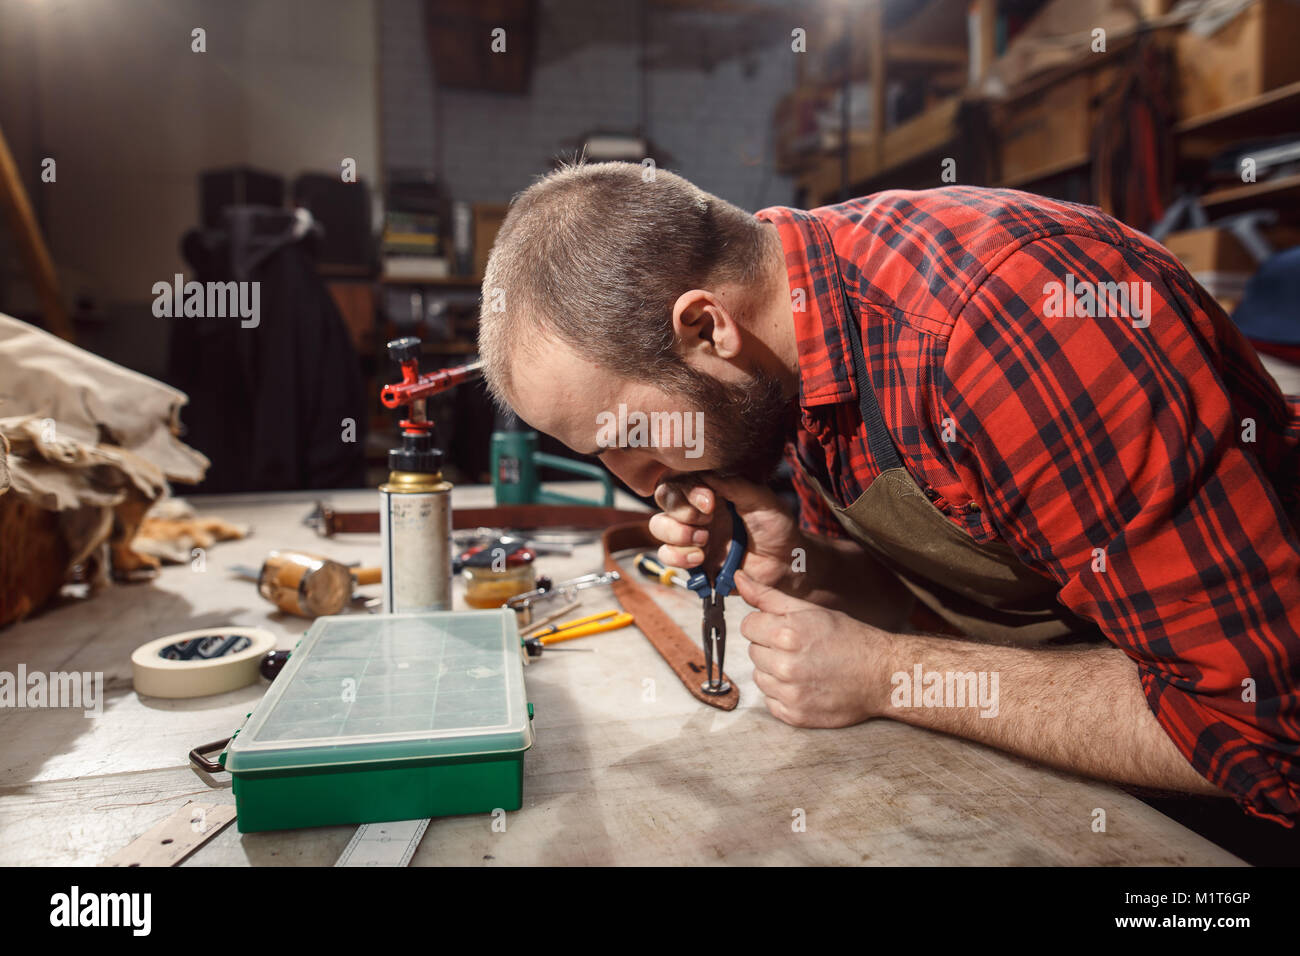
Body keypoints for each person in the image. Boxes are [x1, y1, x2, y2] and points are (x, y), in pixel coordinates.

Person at [477, 161, 1300, 826]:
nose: (638, 486)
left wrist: (890, 675)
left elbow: (1261, 731)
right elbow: (1004, 589)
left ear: (705, 328)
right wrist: (812, 568)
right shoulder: (787, 343)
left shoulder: (1002, 328)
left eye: (625, 440)